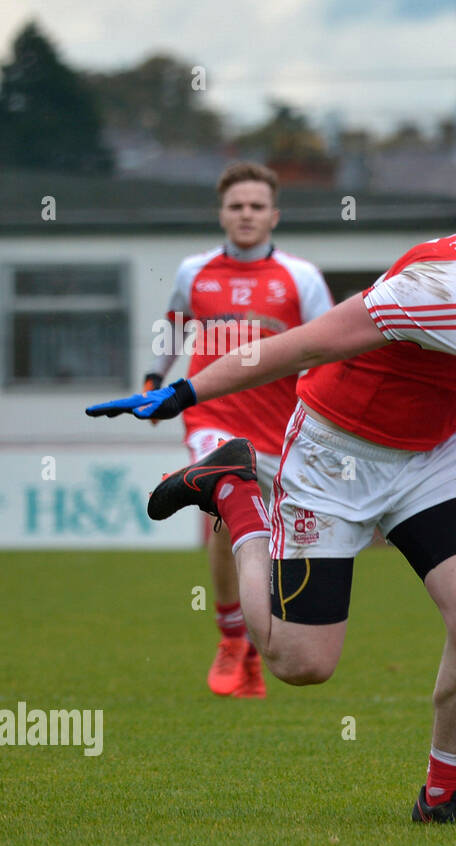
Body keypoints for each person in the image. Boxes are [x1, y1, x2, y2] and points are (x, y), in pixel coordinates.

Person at [88, 158, 456, 825]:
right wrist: (186, 390)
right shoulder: (438, 290)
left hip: (436, 458)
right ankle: (235, 497)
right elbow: (301, 345)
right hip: (337, 456)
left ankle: (443, 794)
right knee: (302, 662)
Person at [147, 161, 332, 698]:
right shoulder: (194, 272)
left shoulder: (300, 278)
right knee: (224, 511)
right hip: (213, 420)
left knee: (284, 543)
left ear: (273, 215)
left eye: (256, 206)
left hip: (282, 433)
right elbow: (174, 329)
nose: (246, 214)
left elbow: (325, 351)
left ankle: (253, 650)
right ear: (221, 213)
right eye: (236, 206)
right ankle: (231, 639)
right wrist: (155, 381)